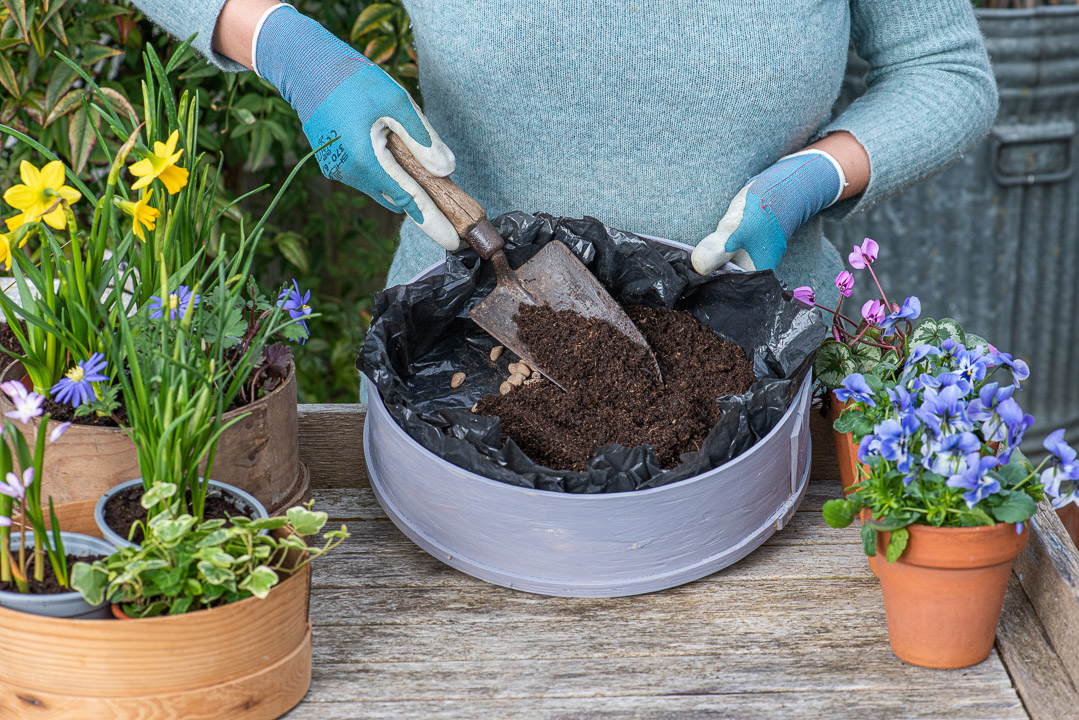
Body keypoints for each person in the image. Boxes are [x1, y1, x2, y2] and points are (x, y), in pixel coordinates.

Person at [133, 1, 997, 310]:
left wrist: (822, 171)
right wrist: (291, 48)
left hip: (768, 377)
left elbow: (945, 69)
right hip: (463, 357)